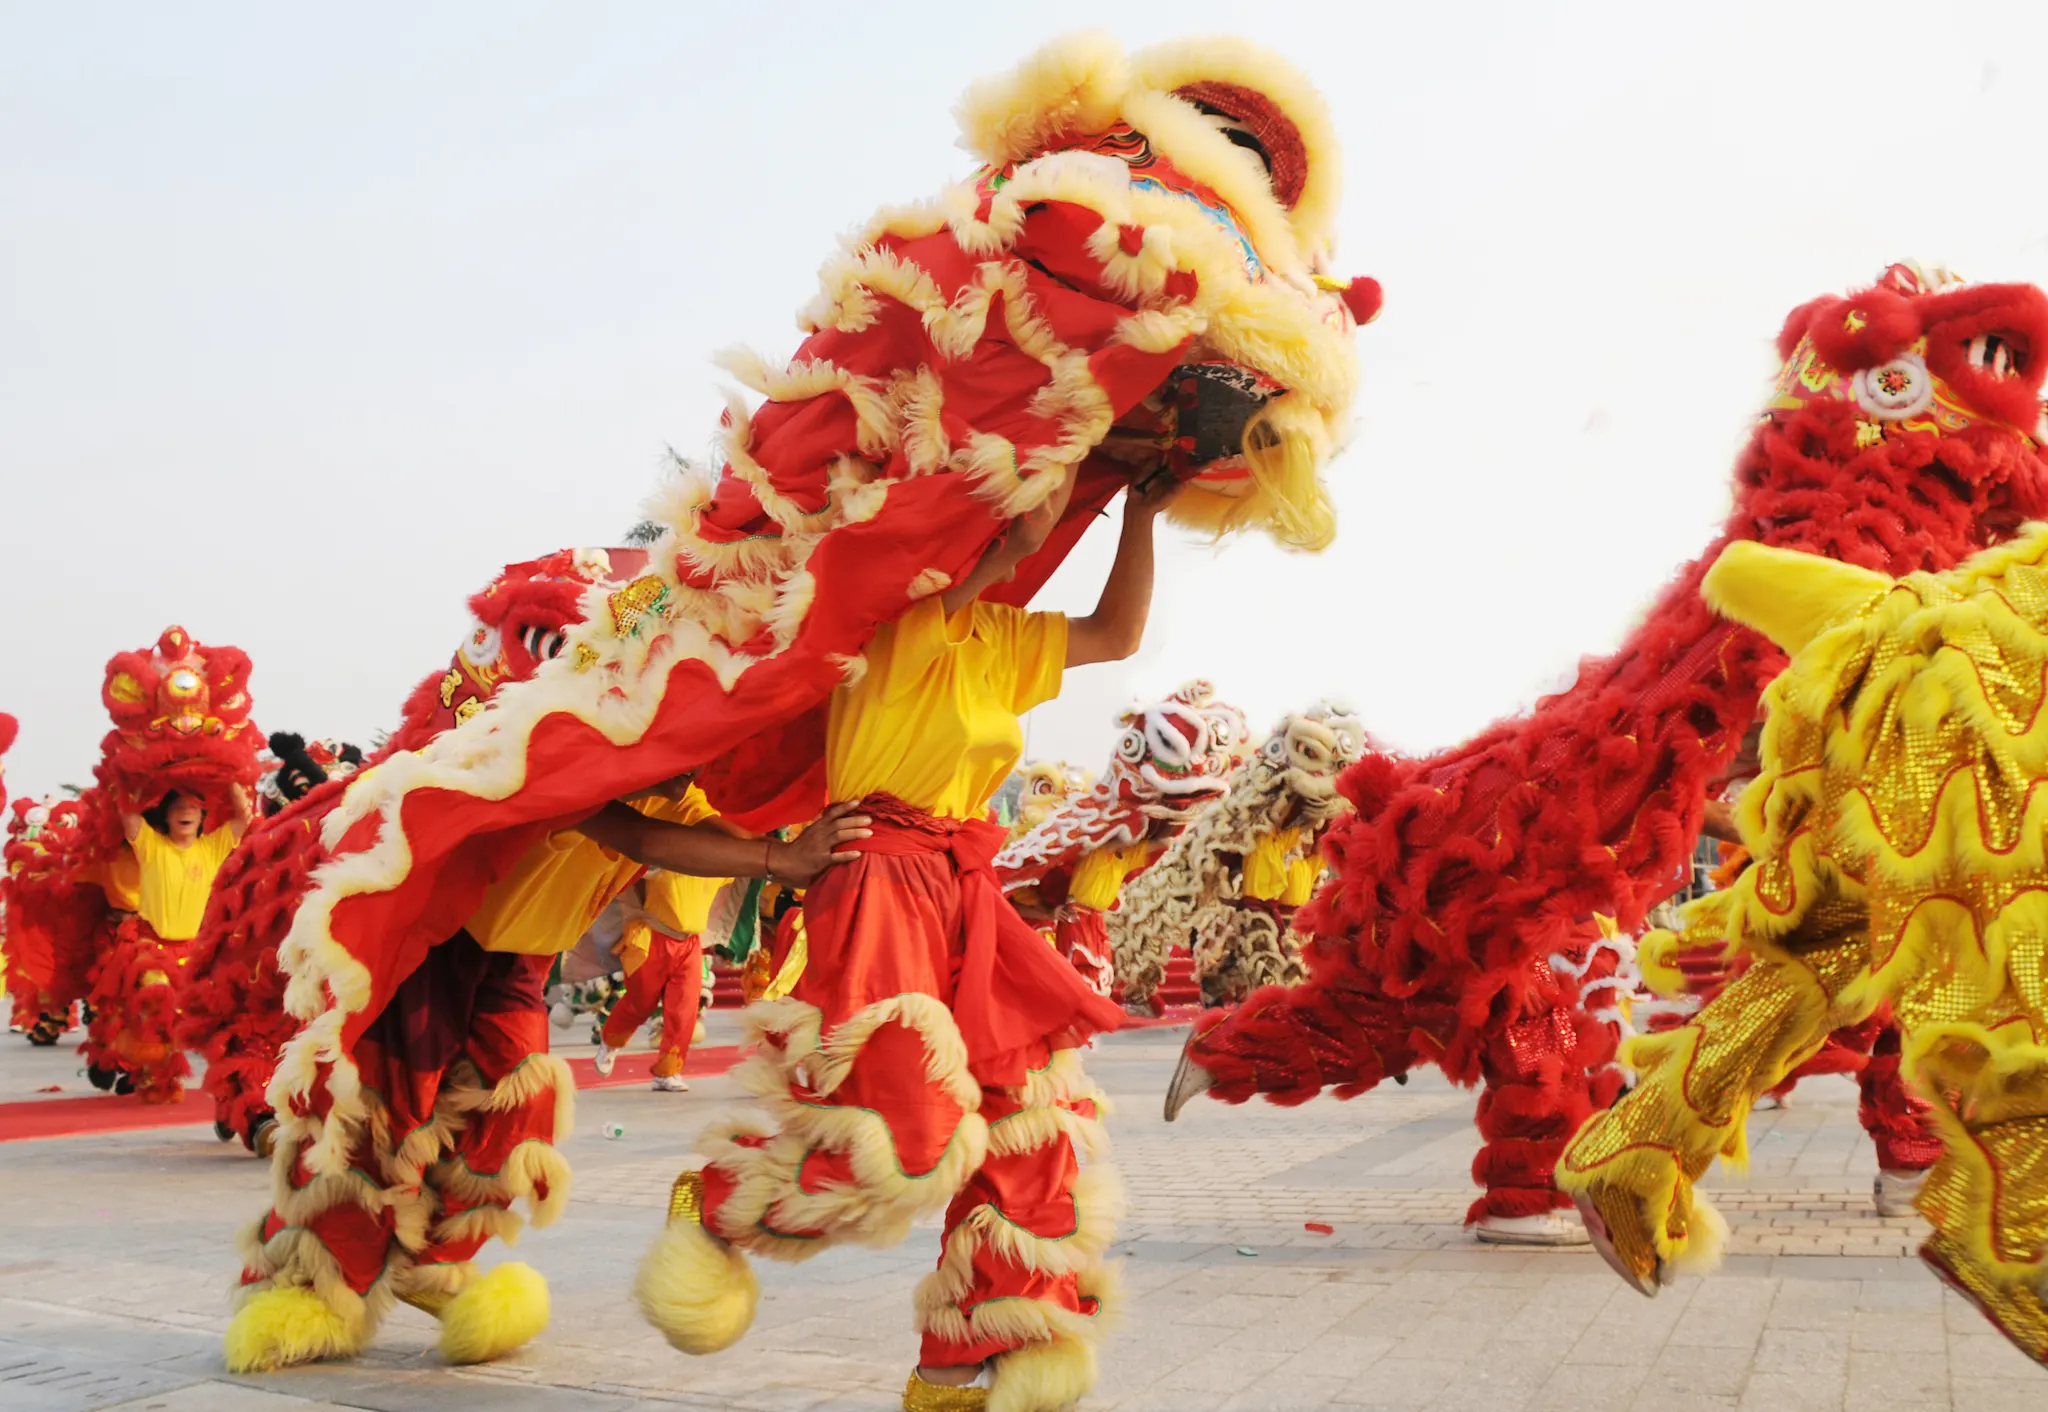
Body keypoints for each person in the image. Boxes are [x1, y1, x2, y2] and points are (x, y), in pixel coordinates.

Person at [635, 473, 1169, 1412]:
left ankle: (961, 1364)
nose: (1040, 520)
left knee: (1030, 1124)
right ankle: (717, 1199)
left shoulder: (1003, 640)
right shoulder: (882, 623)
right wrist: (1016, 529)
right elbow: (965, 572)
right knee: (902, 1132)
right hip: (876, 875)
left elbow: (1115, 634)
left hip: (965, 887)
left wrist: (1140, 514)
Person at [226, 781, 869, 1373]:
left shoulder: (679, 781)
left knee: (518, 1116)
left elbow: (707, 826)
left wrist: (801, 858)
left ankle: (433, 1266)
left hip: (511, 958)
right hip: (434, 938)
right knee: (386, 1113)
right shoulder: (581, 741)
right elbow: (639, 837)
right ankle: (315, 1282)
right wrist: (781, 859)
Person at [594, 869, 727, 1090]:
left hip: (689, 945)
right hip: (653, 938)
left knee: (684, 1010)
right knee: (640, 1004)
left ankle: (668, 1072)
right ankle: (610, 1042)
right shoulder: (665, 858)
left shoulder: (713, 862)